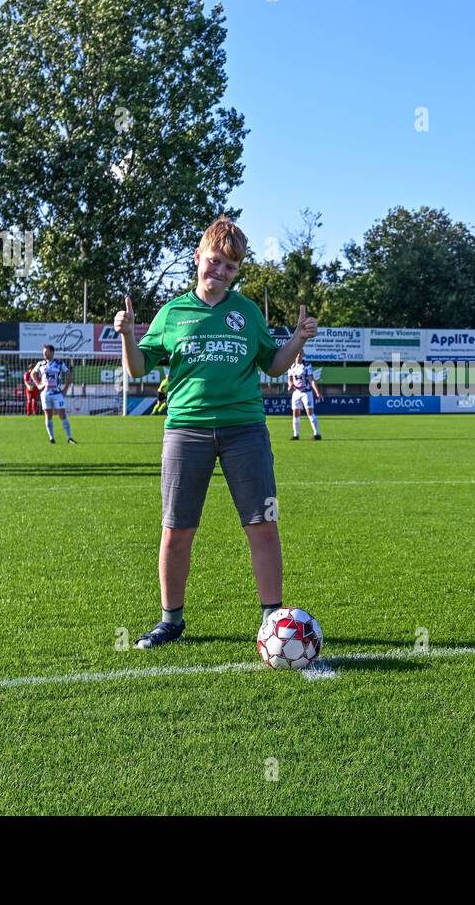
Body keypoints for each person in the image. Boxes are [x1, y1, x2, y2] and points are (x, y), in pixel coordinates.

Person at [114, 216, 317, 649]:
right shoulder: (173, 313)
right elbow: (137, 367)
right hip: (186, 431)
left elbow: (274, 364)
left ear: (236, 272)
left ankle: (271, 620)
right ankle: (171, 620)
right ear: (198, 259)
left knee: (263, 523)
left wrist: (298, 338)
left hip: (246, 430)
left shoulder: (245, 312)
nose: (220, 270)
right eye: (215, 261)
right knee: (177, 528)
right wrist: (128, 336)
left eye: (230, 266)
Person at [31, 345, 76, 444]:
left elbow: (69, 374)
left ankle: (69, 437)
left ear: (52, 352)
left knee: (62, 414)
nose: (44, 354)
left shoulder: (59, 363)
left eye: (46, 352)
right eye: (44, 352)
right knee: (48, 415)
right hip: (45, 394)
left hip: (57, 393)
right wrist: (38, 384)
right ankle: (51, 438)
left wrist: (65, 389)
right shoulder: (40, 364)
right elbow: (32, 373)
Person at [287, 349, 322, 440]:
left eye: (300, 353)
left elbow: (311, 379)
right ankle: (296, 435)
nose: (298, 355)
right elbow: (290, 378)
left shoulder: (306, 365)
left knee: (309, 412)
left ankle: (317, 434)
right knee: (295, 413)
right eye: (297, 353)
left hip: (306, 392)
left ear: (302, 354)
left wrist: (317, 392)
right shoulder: (291, 366)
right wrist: (290, 384)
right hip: (296, 392)